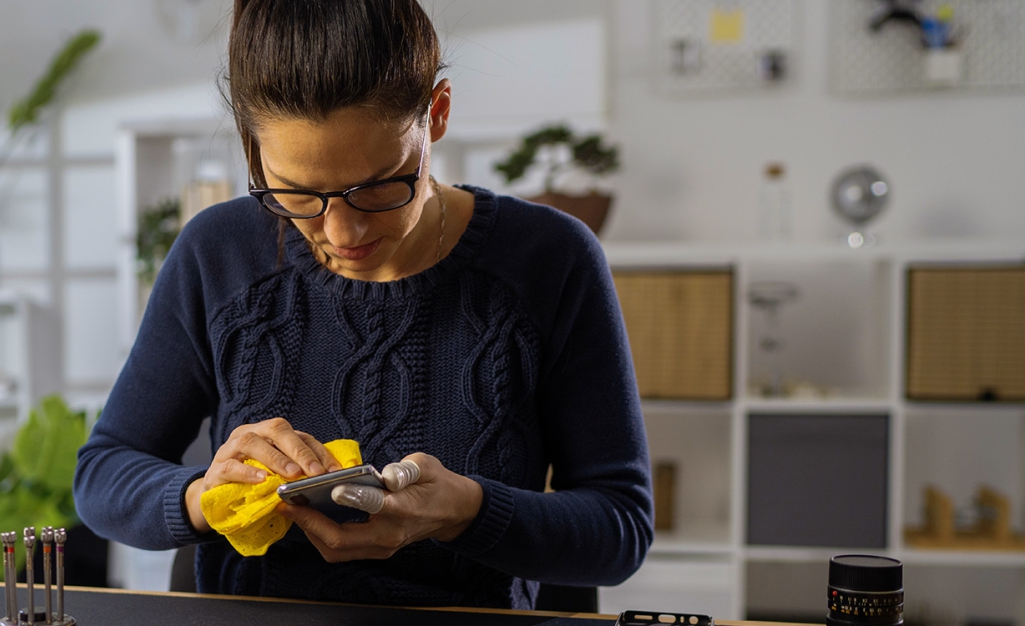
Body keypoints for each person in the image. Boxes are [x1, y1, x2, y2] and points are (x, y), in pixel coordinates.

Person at [73, 0, 651, 610]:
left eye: (379, 186)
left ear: (438, 113)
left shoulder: (549, 259)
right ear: (253, 148)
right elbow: (104, 474)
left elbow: (620, 527)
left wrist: (464, 511)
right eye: (296, 194)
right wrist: (204, 495)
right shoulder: (218, 253)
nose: (342, 233)